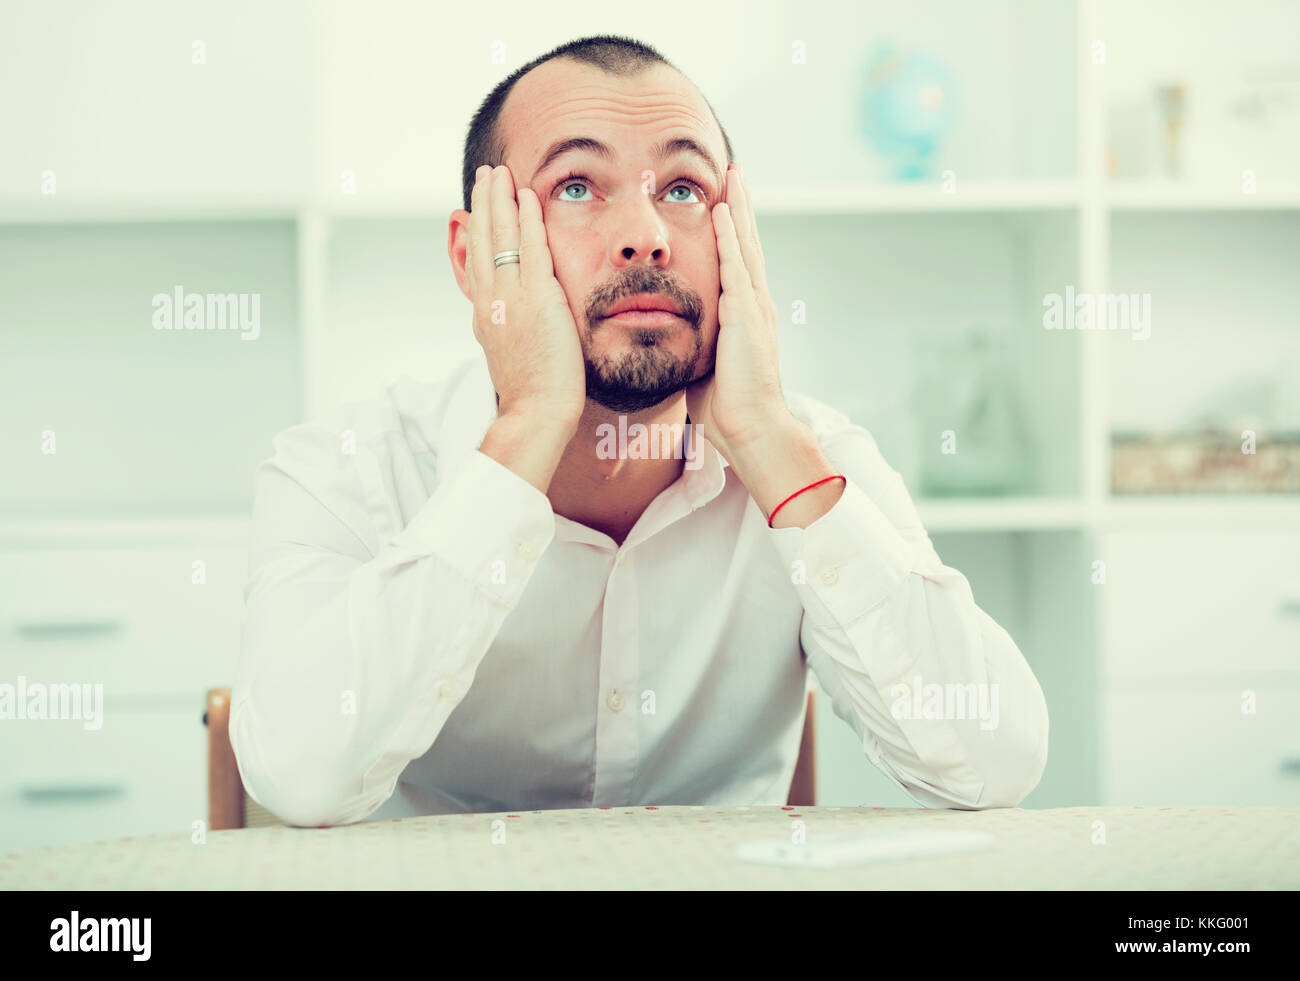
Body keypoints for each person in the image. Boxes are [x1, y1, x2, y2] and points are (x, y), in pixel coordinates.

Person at [231, 34, 1048, 827]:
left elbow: (995, 762)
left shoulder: (810, 458)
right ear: (475, 253)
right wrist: (527, 426)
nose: (647, 235)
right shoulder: (342, 472)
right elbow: (301, 776)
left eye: (684, 190)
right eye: (577, 187)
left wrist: (766, 436)